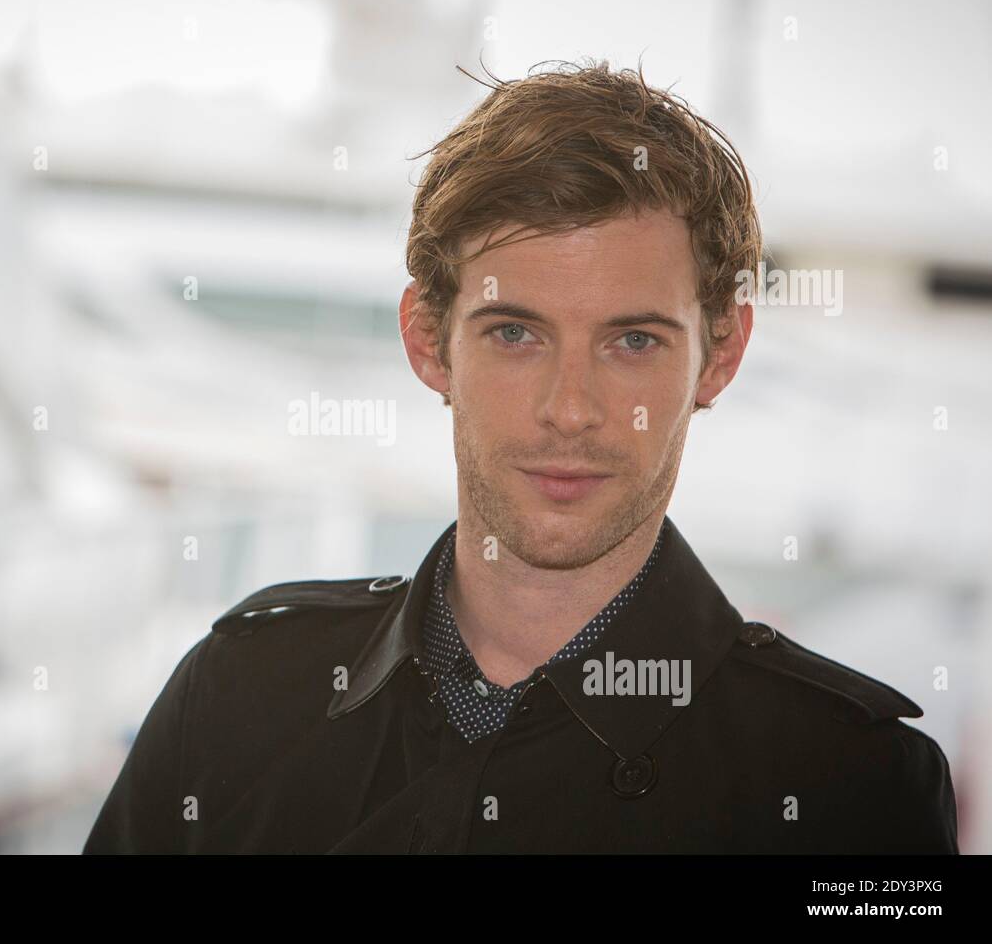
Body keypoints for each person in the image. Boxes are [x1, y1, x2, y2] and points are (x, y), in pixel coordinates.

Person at [84, 60, 958, 854]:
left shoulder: (853, 789)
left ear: (719, 356)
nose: (569, 411)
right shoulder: (235, 699)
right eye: (514, 333)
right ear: (428, 341)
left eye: (633, 343)